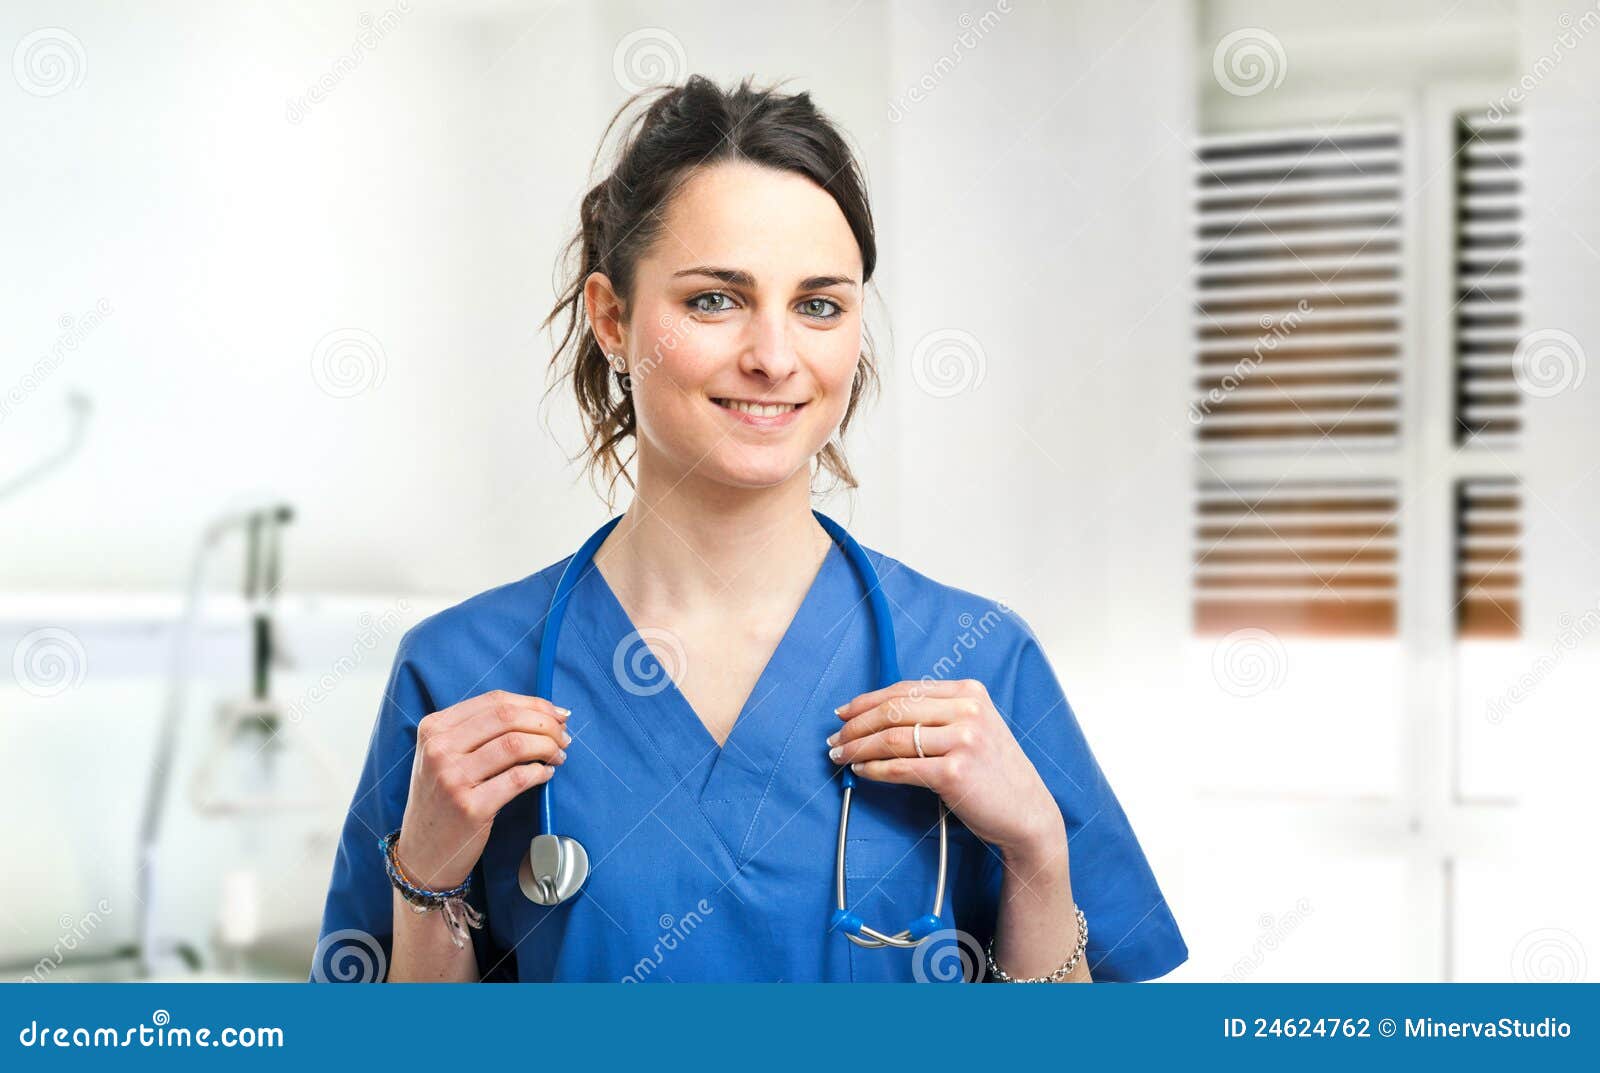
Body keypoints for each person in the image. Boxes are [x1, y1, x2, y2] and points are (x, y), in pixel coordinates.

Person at [310, 75, 1186, 984]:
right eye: (715, 300)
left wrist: (1039, 852)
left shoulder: (975, 659)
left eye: (819, 305)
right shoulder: (461, 672)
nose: (773, 358)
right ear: (614, 319)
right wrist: (423, 881)